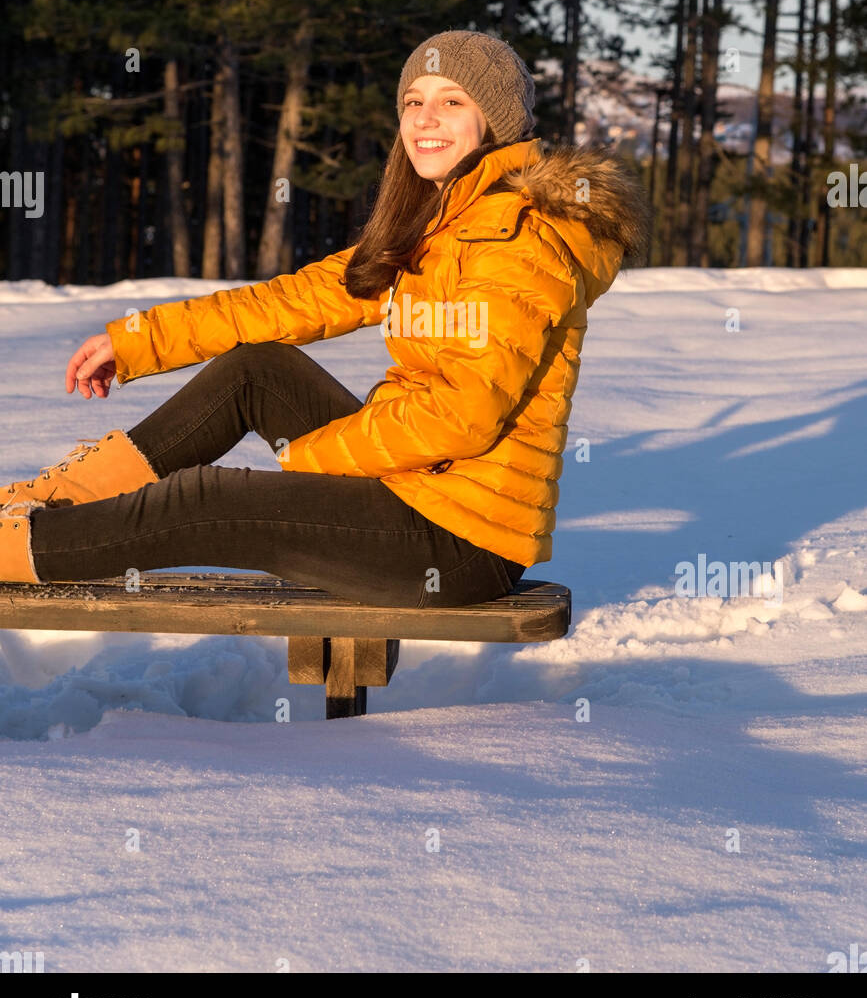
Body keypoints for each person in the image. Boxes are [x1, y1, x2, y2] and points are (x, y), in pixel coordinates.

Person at [0, 30, 648, 607]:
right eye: (413, 101)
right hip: (419, 488)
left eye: (452, 100)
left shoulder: (515, 239)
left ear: (496, 119)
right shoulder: (443, 221)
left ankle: (26, 547)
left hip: (458, 541)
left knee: (209, 499)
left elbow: (463, 416)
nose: (425, 118)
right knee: (257, 369)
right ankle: (54, 501)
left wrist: (313, 457)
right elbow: (299, 300)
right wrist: (140, 338)